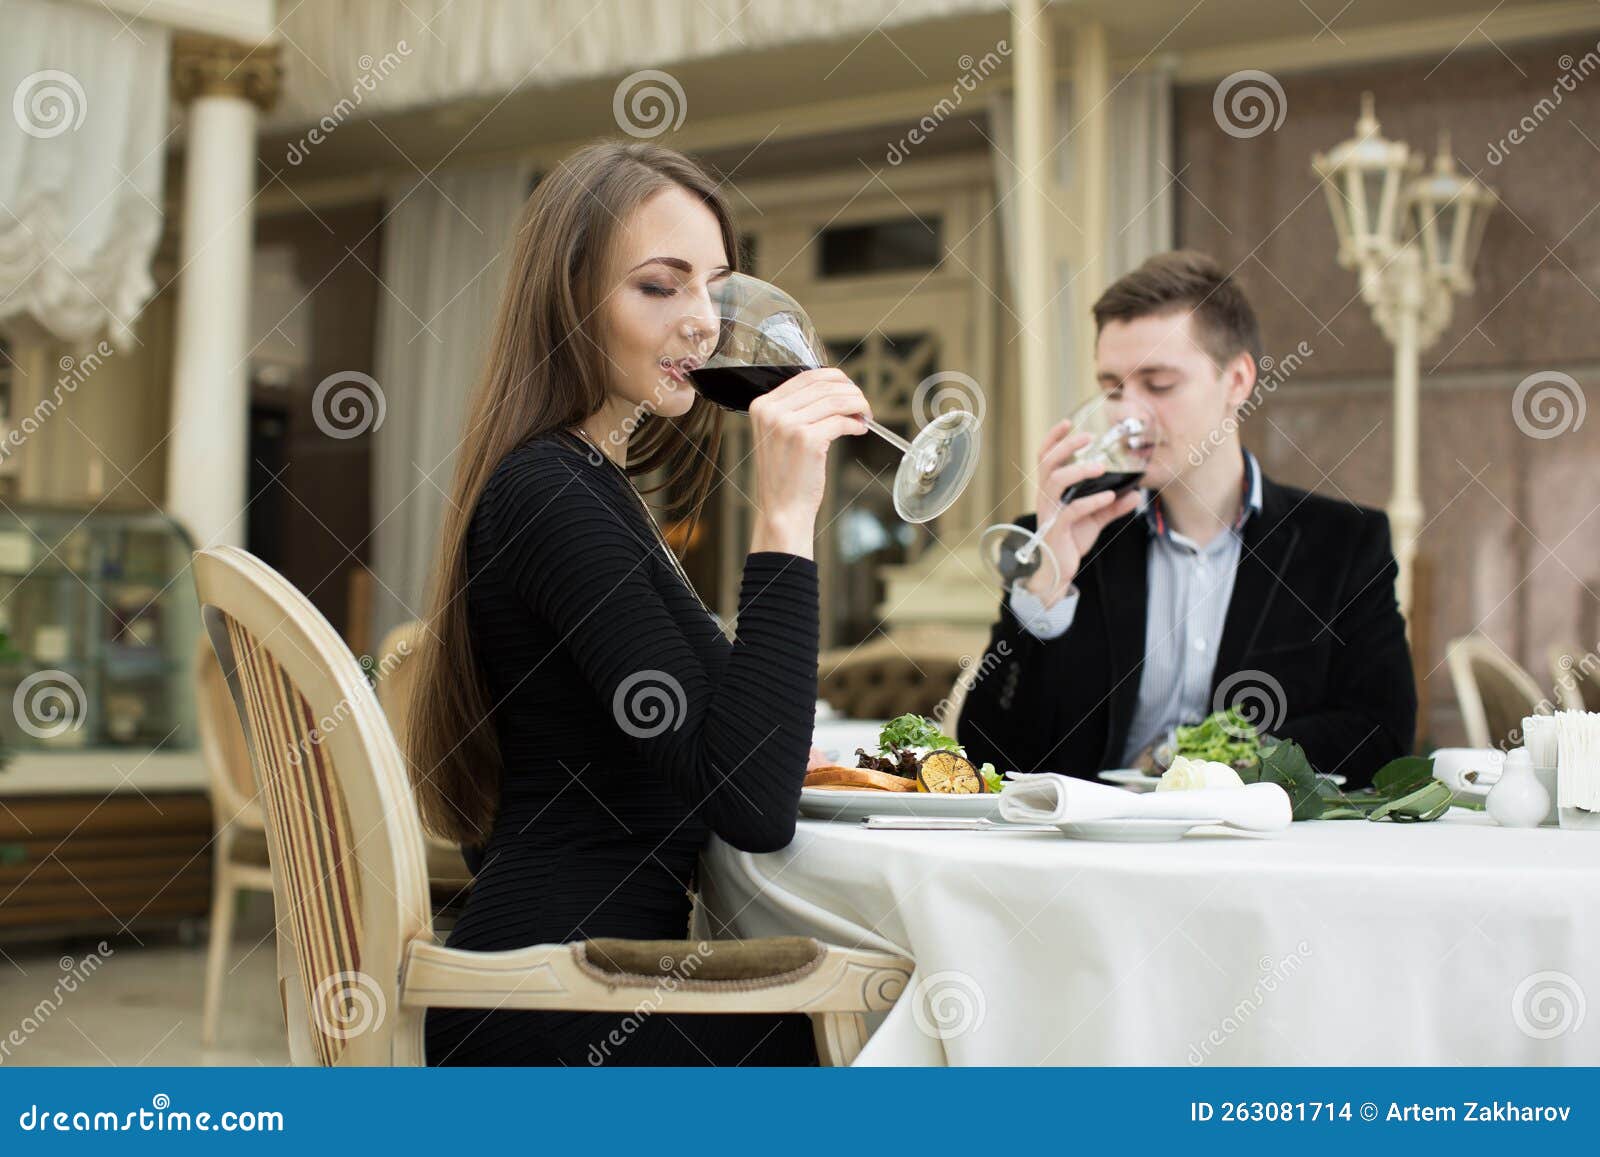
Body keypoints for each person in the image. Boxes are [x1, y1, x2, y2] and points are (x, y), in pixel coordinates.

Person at [407, 140, 872, 1066]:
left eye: (714, 287)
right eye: (660, 286)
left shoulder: (592, 488)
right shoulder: (547, 492)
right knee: (929, 1028)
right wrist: (785, 514)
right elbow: (750, 804)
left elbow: (730, 752)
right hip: (561, 1004)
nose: (702, 322)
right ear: (569, 300)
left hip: (594, 976)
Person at [958, 251, 1415, 790]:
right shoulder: (1070, 535)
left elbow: (1382, 736)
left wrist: (1193, 759)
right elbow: (988, 754)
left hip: (1254, 855)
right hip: (1095, 855)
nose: (1128, 414)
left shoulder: (1343, 544)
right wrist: (1044, 593)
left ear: (1238, 380)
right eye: (1112, 388)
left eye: (1158, 384)